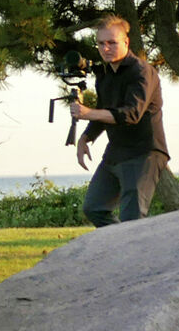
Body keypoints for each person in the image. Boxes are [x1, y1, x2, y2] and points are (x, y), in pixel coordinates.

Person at [63, 17, 169, 224]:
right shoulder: (105, 75)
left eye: (112, 42)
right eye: (101, 43)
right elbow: (104, 111)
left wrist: (87, 113)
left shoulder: (142, 71)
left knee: (132, 220)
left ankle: (132, 243)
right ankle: (120, 242)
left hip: (143, 153)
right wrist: (86, 137)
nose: (106, 48)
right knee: (94, 208)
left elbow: (131, 114)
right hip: (116, 152)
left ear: (126, 42)